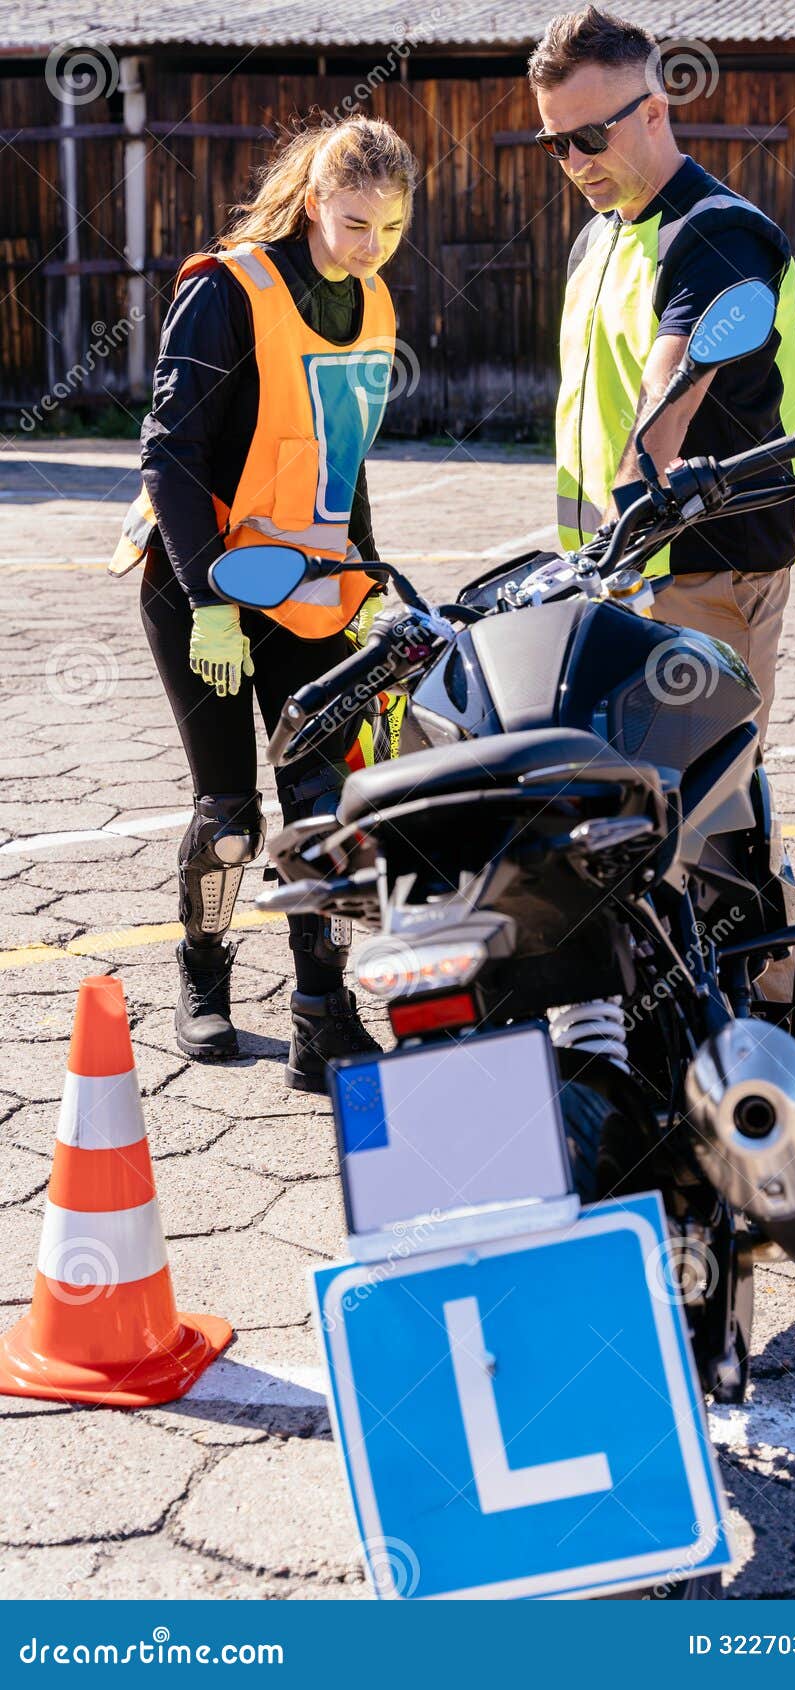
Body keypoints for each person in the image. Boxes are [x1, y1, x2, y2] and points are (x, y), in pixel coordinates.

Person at [109, 114, 417, 1090]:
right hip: (200, 578)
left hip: (307, 583)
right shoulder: (227, 288)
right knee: (232, 810)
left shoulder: (371, 306)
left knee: (323, 805)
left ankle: (321, 1014)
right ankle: (203, 977)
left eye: (394, 228)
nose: (373, 247)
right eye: (357, 222)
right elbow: (170, 451)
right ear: (314, 201)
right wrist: (207, 602)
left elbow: (346, 454)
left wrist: (369, 575)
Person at [530, 7, 795, 745]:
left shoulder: (718, 235)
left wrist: (615, 541)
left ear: (654, 112)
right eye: (555, 144)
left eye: (591, 137)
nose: (576, 162)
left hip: (707, 573)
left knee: (706, 814)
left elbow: (667, 404)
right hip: (616, 568)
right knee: (624, 821)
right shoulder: (600, 237)